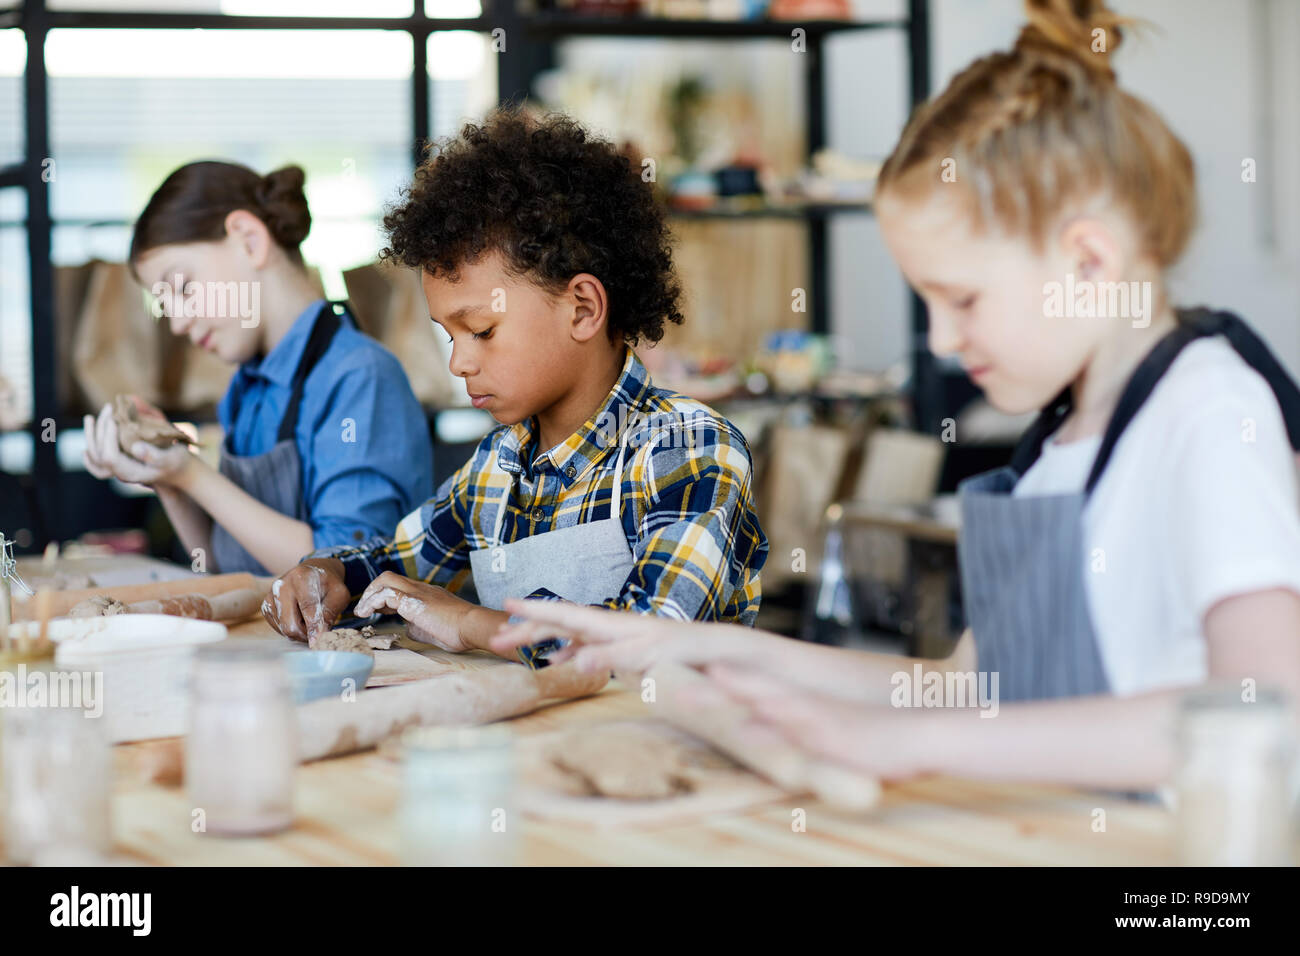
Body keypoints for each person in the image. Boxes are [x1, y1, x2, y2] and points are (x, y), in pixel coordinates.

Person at [490, 0, 1300, 791]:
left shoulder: (1210, 411)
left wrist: (911, 742)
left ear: (1089, 264)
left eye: (965, 300)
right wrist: (695, 649)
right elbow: (965, 687)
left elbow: (1268, 710)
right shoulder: (1060, 442)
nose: (941, 343)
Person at [261, 110, 769, 665]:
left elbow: (646, 643)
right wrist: (329, 571)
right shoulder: (496, 466)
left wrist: (474, 623)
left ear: (582, 309)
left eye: (481, 331)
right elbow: (395, 559)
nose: (458, 363)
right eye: (448, 336)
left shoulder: (687, 449)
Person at [83, 161, 433, 576]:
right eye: (165, 305)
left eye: (182, 287)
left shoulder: (360, 377)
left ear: (249, 240)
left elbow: (341, 570)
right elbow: (220, 562)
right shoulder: (244, 389)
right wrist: (167, 476)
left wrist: (192, 474)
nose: (176, 323)